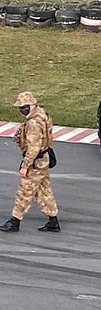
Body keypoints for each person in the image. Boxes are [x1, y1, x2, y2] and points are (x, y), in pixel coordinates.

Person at [0, 91, 60, 233]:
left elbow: (33, 148)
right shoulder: (41, 114)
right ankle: (53, 220)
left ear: (31, 106)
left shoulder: (33, 123)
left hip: (35, 162)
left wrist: (25, 165)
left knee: (24, 192)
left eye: (24, 107)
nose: (22, 110)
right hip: (43, 159)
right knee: (44, 190)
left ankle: (15, 221)